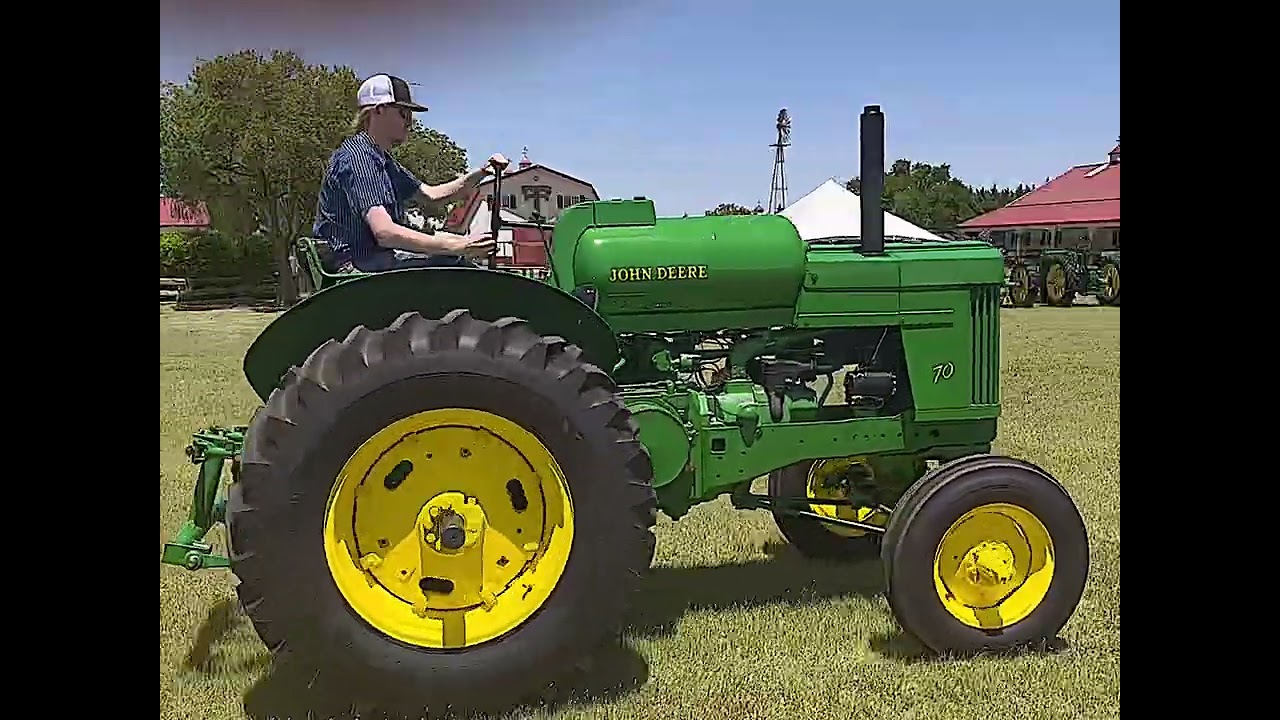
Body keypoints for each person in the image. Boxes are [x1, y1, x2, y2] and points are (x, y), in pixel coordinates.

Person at [311, 73, 507, 273]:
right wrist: (459, 247)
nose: (410, 123)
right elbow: (385, 232)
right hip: (356, 266)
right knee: (454, 264)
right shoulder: (358, 158)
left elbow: (433, 195)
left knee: (452, 254)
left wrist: (483, 171)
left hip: (374, 259)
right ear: (378, 111)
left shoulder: (380, 159)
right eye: (403, 114)